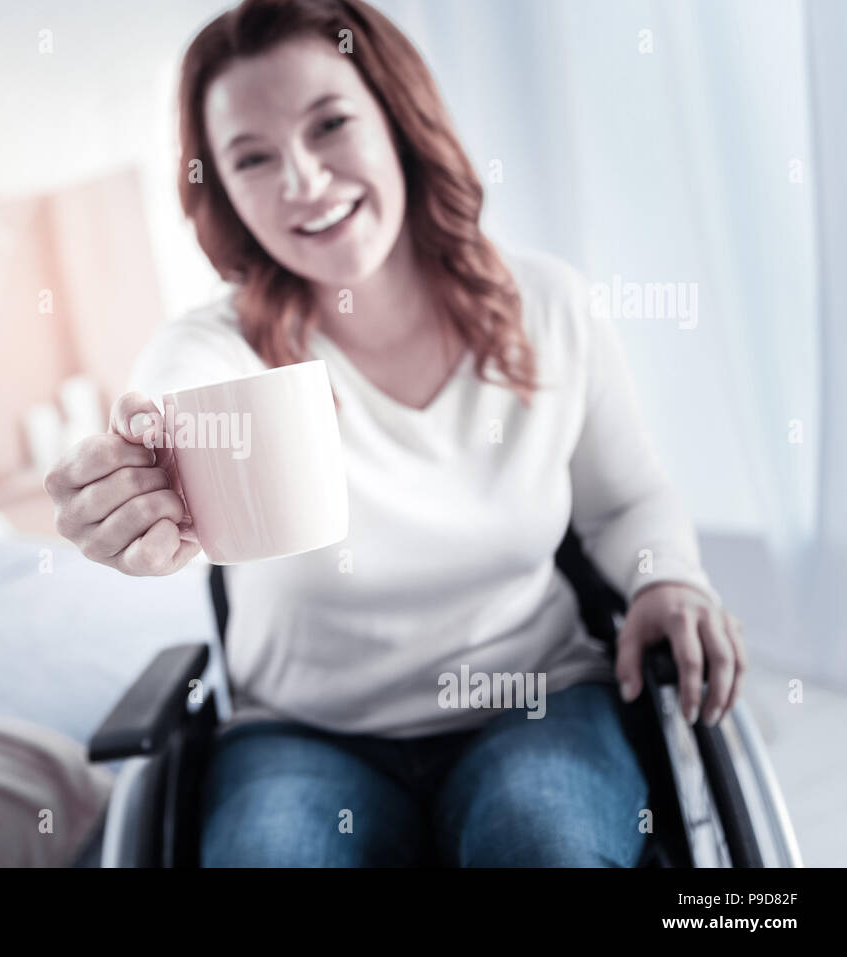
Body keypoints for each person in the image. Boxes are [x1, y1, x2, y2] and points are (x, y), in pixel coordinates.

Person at [43, 0, 747, 866]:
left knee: (547, 844)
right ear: (221, 190)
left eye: (329, 124)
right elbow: (172, 387)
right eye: (251, 158)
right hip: (304, 735)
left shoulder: (549, 305)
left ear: (398, 121)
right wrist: (138, 470)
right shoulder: (219, 344)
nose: (301, 181)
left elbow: (627, 501)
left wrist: (665, 579)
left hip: (537, 697)